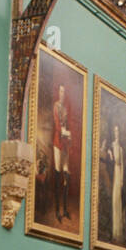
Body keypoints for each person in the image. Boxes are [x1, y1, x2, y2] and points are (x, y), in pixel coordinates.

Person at [51, 84, 72, 221]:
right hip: (58, 142)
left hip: (65, 144)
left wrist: (69, 134)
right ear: (58, 93)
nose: (62, 94)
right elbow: (57, 125)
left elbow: (68, 124)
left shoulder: (65, 108)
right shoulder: (56, 106)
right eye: (60, 91)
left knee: (67, 175)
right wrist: (64, 132)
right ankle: (57, 210)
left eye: (64, 92)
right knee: (58, 173)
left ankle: (65, 209)